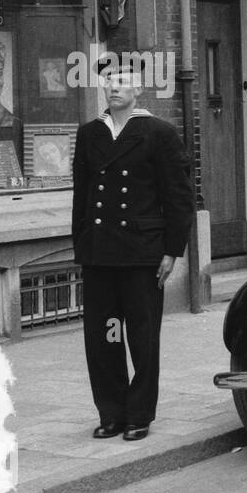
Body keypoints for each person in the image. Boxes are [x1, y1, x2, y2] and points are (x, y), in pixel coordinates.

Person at [72, 69, 194, 442]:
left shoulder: (158, 133)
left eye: (122, 83)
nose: (114, 88)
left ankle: (139, 414)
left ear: (138, 89)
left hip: (141, 253)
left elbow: (178, 196)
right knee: (103, 338)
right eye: (109, 83)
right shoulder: (90, 132)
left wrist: (172, 250)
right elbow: (82, 194)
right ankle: (111, 413)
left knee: (142, 337)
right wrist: (82, 246)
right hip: (100, 254)